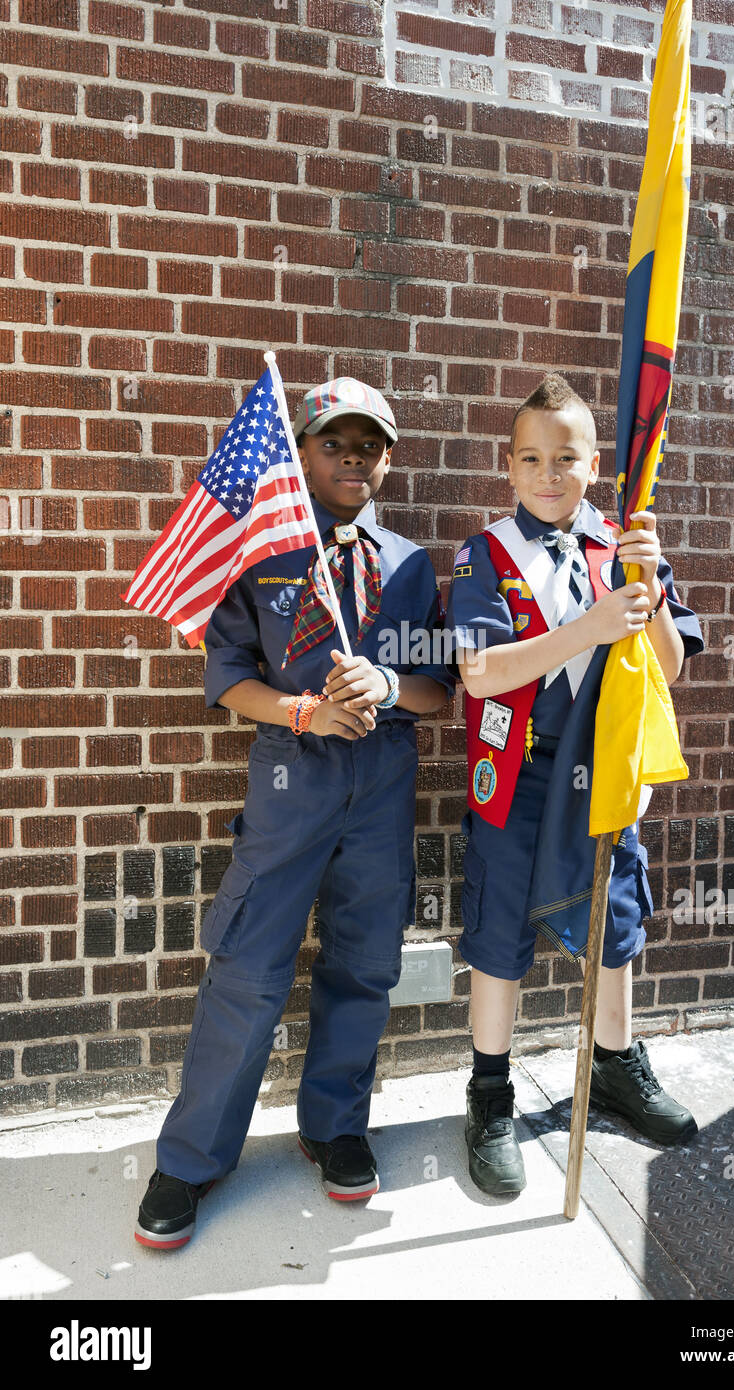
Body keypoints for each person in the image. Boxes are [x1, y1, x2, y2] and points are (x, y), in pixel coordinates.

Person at [135, 377, 453, 1247]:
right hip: (293, 781)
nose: (353, 457)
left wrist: (388, 684)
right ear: (302, 451)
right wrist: (302, 710)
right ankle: (192, 1157)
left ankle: (334, 1125)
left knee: (364, 961)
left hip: (381, 785)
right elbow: (229, 678)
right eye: (333, 442)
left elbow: (437, 693)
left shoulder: (409, 565)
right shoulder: (264, 557)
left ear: (388, 459)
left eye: (370, 445)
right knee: (249, 967)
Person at [446, 373, 705, 1195]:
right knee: (498, 933)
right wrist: (585, 628)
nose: (548, 474)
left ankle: (616, 1065)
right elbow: (482, 674)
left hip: (602, 772)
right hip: (518, 774)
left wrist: (651, 585)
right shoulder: (485, 553)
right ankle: (490, 1095)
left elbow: (666, 666)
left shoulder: (622, 545)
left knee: (613, 919)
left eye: (566, 458)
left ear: (595, 464)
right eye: (531, 458)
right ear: (509, 467)